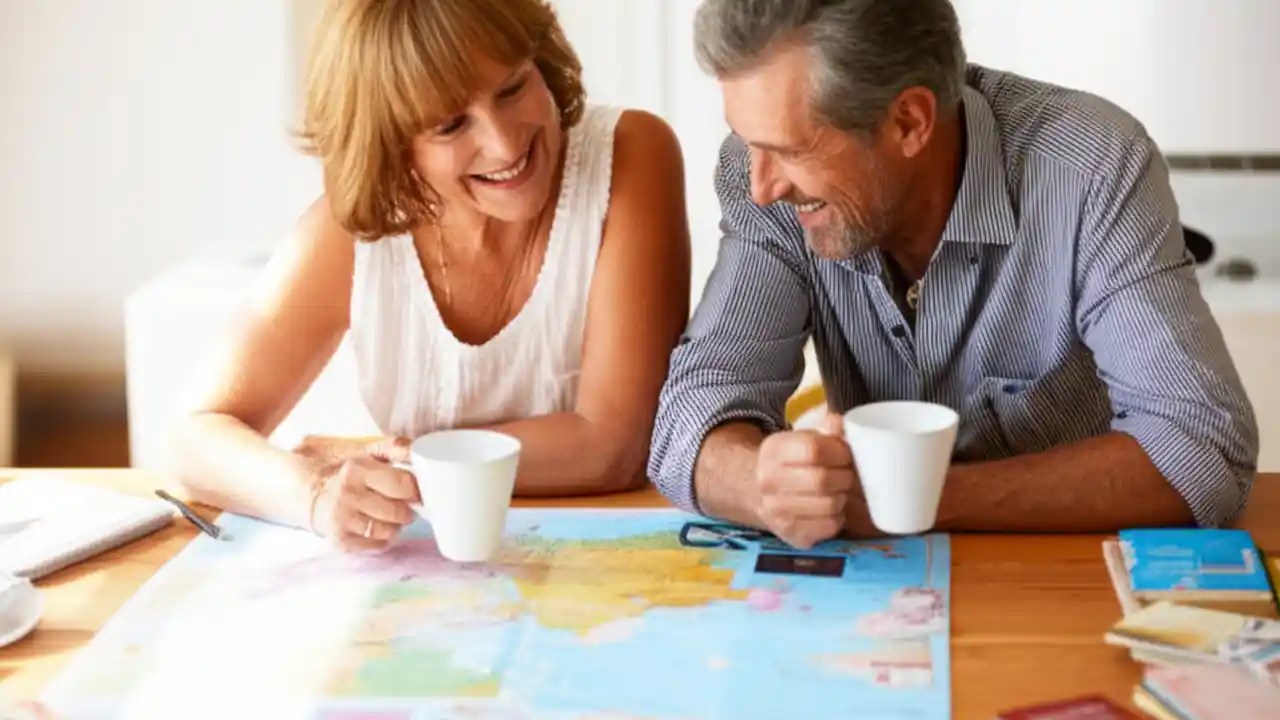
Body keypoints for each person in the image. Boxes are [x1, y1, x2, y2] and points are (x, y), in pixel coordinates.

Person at [648, 0, 1258, 548]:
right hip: (879, 607)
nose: (762, 186)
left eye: (791, 149)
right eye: (747, 141)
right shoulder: (767, 186)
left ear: (910, 122)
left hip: (1067, 578)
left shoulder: (1089, 167)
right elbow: (689, 418)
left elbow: (1201, 446)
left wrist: (916, 499)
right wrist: (760, 483)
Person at [169, 0, 691, 551]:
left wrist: (401, 459)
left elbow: (614, 445)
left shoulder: (630, 155)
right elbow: (193, 436)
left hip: (604, 560)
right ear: (393, 144)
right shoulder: (352, 234)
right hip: (433, 578)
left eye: (513, 87)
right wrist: (315, 492)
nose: (505, 142)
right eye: (450, 125)